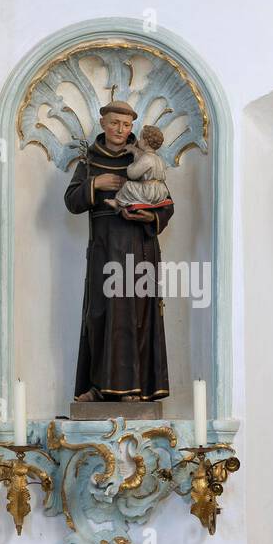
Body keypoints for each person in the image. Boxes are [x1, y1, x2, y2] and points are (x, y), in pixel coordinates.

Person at [66, 100, 175, 403]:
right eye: (115, 123)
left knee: (137, 316)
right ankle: (99, 387)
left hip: (140, 248)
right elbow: (72, 201)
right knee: (101, 315)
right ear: (103, 124)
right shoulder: (89, 161)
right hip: (104, 250)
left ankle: (136, 388)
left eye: (126, 125)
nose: (120, 130)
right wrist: (95, 183)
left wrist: (149, 216)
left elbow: (167, 203)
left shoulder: (144, 158)